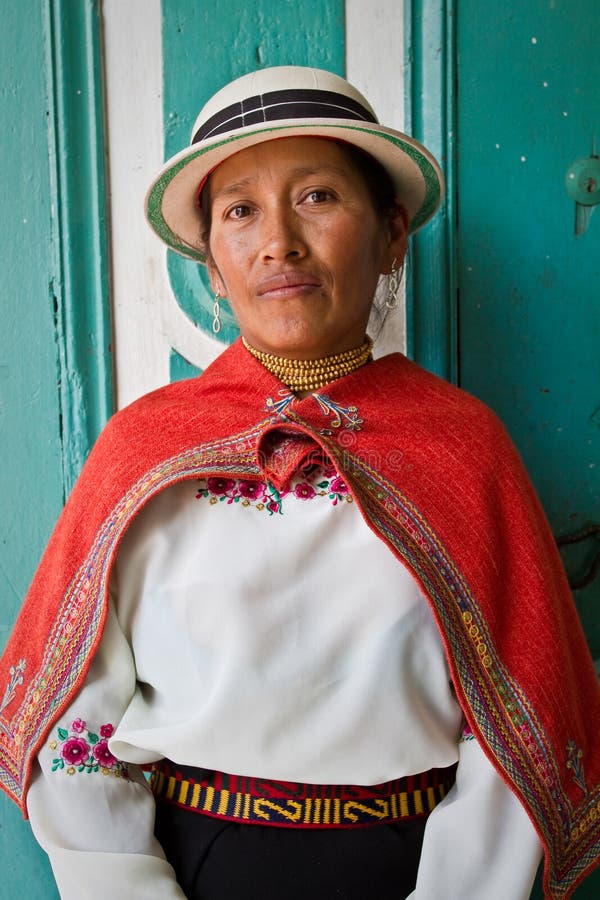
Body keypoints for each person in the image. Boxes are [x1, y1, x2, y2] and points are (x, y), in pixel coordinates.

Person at [0, 66, 598, 900]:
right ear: (211, 260)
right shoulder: (143, 449)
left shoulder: (467, 449)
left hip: (420, 870)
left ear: (392, 235)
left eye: (317, 196)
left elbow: (513, 734)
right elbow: (76, 729)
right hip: (194, 870)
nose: (277, 241)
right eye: (240, 211)